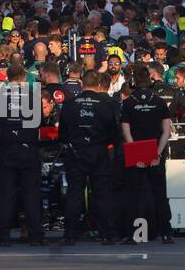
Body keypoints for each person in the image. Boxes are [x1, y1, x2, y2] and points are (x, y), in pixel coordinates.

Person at [59, 70, 119, 246]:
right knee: (102, 194)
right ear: (99, 85)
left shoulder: (69, 104)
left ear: (82, 84)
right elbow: (113, 132)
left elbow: (63, 133)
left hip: (76, 152)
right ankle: (108, 233)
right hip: (98, 151)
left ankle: (70, 234)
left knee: (75, 193)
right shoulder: (105, 103)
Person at [120, 62, 175, 244]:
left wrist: (136, 152)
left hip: (137, 150)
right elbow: (167, 130)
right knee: (159, 193)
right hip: (155, 150)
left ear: (134, 82)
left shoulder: (128, 103)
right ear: (150, 81)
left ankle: (134, 235)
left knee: (134, 195)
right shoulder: (159, 102)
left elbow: (125, 131)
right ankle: (166, 233)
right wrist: (158, 153)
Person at [0, 64, 44, 247]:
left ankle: (3, 237)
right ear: (23, 77)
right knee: (31, 194)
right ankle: (35, 236)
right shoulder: (33, 96)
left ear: (8, 77)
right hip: (28, 148)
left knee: (6, 195)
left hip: (6, 149)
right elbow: (41, 121)